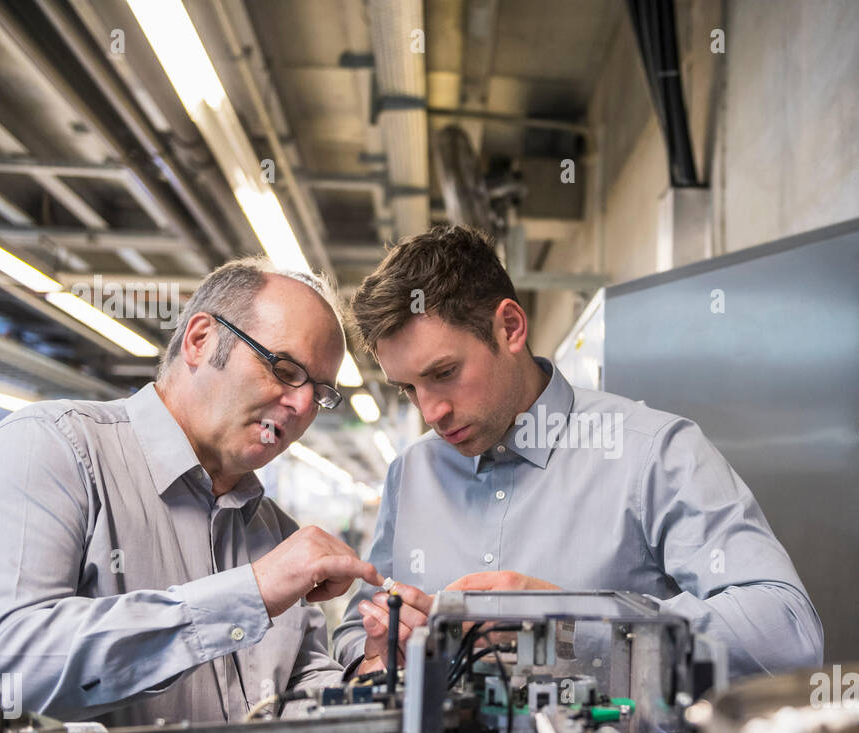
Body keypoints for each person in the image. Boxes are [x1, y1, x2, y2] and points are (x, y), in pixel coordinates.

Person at [332, 225, 823, 678]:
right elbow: (357, 631)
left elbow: (787, 633)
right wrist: (377, 658)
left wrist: (570, 623)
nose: (431, 411)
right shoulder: (412, 474)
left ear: (509, 328)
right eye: (408, 389)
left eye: (443, 373)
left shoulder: (652, 454)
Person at [0, 256, 380, 723]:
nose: (302, 403)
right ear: (201, 341)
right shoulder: (48, 453)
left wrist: (372, 683)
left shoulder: (274, 532)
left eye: (321, 392)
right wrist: (250, 593)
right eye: (284, 368)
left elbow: (292, 691)